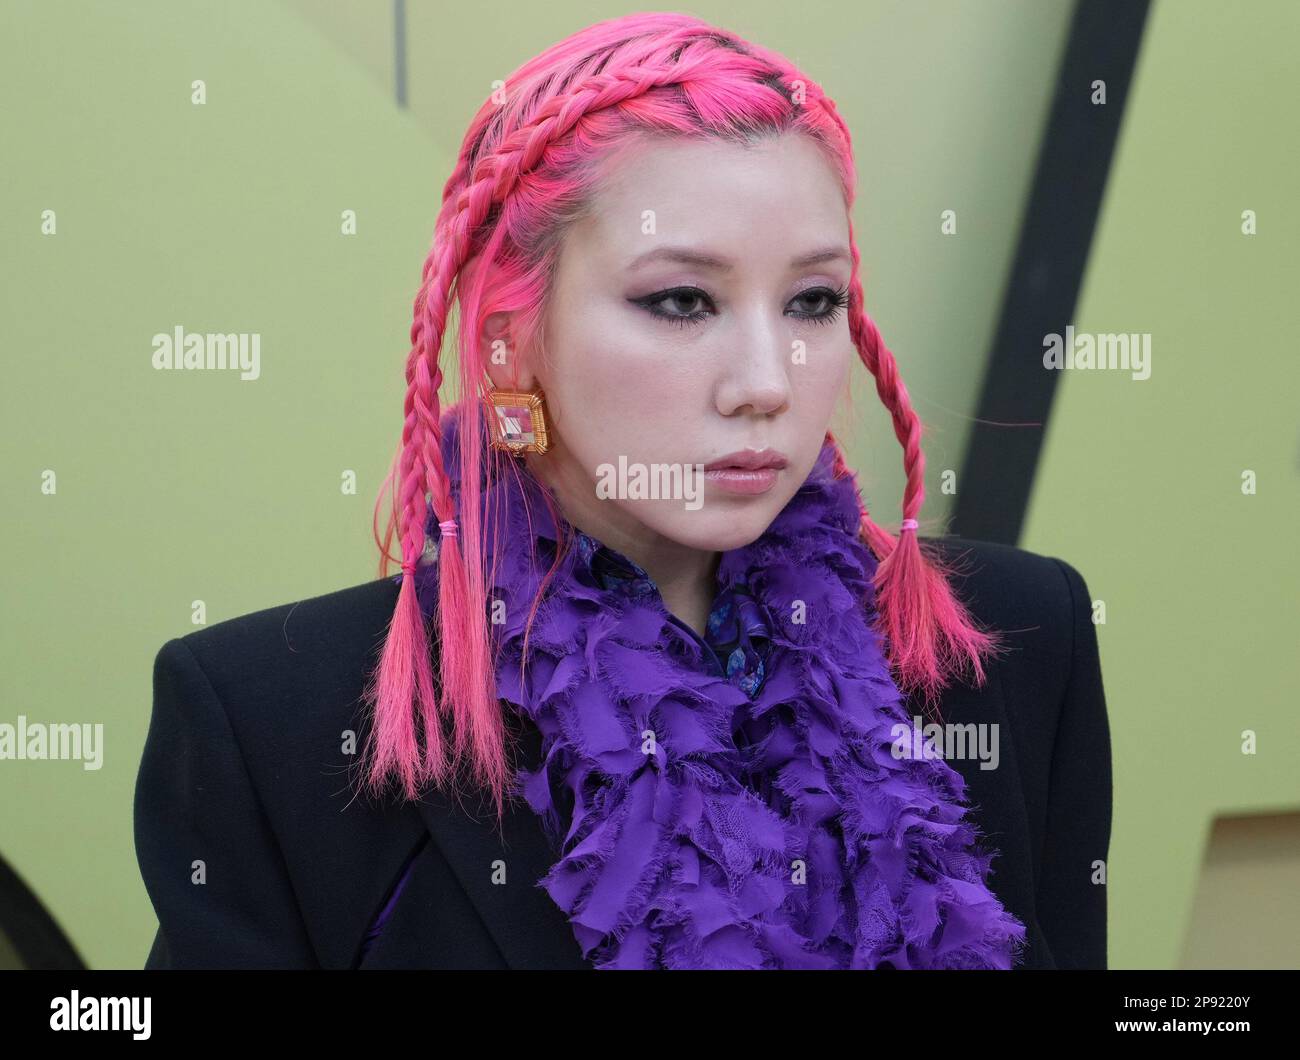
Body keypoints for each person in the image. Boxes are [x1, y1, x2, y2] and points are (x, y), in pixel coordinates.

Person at [134, 11, 1111, 970]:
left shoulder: (1020, 643)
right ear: (513, 333)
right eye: (681, 300)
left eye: (812, 301)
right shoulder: (270, 725)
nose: (766, 383)